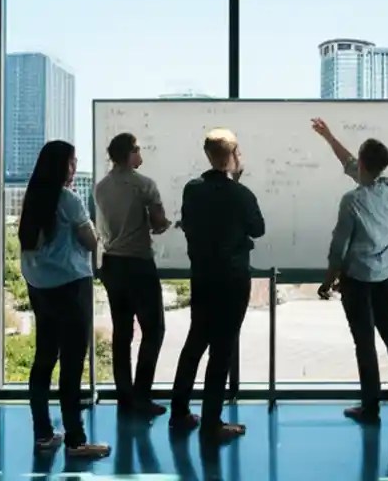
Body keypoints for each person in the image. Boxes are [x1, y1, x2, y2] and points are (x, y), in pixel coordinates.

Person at [312, 118, 388, 423]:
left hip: (357, 281)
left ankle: (370, 408)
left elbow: (338, 247)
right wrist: (330, 137)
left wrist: (327, 281)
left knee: (365, 342)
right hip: (384, 276)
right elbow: (352, 164)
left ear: (364, 165)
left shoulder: (352, 201)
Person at [169, 128, 265, 442]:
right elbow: (258, 228)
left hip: (203, 277)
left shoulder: (192, 189)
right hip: (233, 279)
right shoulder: (242, 194)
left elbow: (193, 220)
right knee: (222, 350)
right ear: (233, 156)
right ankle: (212, 422)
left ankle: (179, 411)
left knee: (195, 342)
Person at [18, 139, 110, 459]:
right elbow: (89, 240)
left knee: (44, 359)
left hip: (39, 286)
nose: (74, 168)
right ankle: (76, 440)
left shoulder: (32, 199)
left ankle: (43, 433)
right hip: (70, 285)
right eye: (72, 162)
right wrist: (93, 232)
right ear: (61, 166)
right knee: (72, 364)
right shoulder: (68, 199)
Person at [94, 132, 171, 416]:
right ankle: (141, 396)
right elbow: (158, 223)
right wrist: (165, 223)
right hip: (138, 264)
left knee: (122, 332)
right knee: (154, 330)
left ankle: (125, 398)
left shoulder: (101, 187)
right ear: (129, 153)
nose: (142, 155)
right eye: (138, 150)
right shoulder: (144, 185)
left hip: (112, 265)